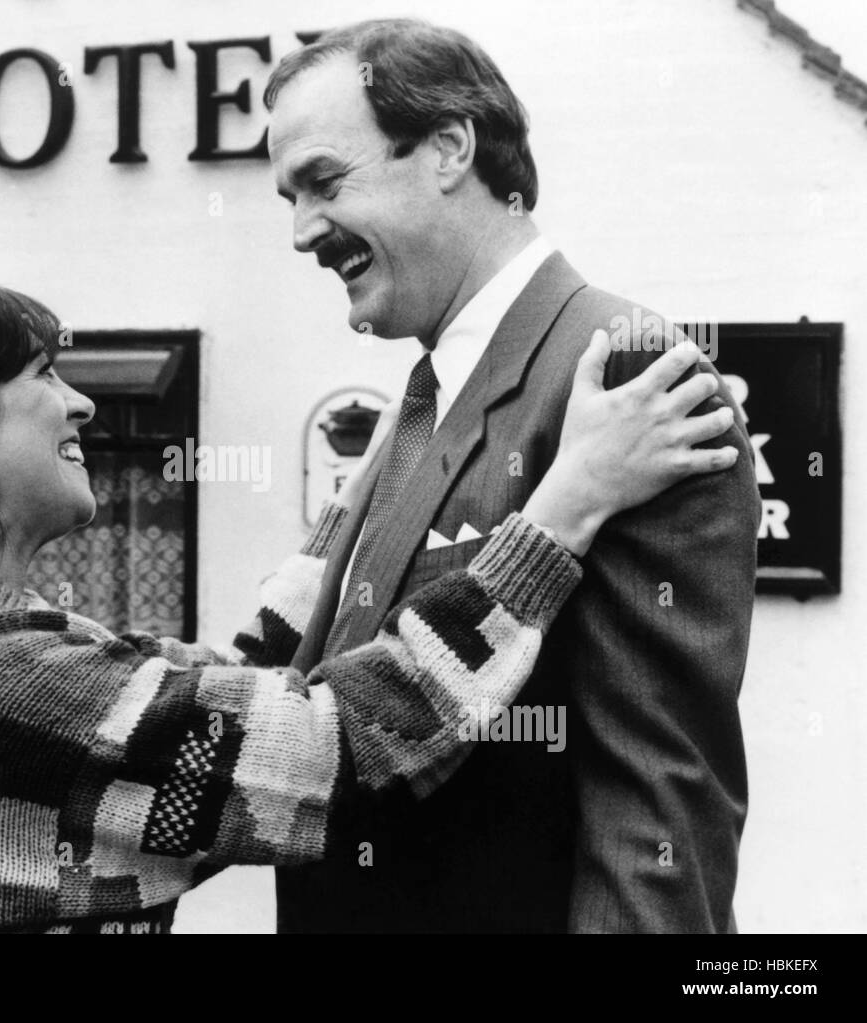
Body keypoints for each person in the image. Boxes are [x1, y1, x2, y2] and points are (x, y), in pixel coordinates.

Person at [0, 279, 737, 934]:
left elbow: (217, 702)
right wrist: (565, 510)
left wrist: (367, 496)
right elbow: (322, 752)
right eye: (42, 375)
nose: (82, 403)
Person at [264, 19, 761, 933]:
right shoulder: (424, 394)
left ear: (451, 146)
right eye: (288, 197)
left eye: (324, 183)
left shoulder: (622, 375)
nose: (301, 232)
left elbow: (657, 807)